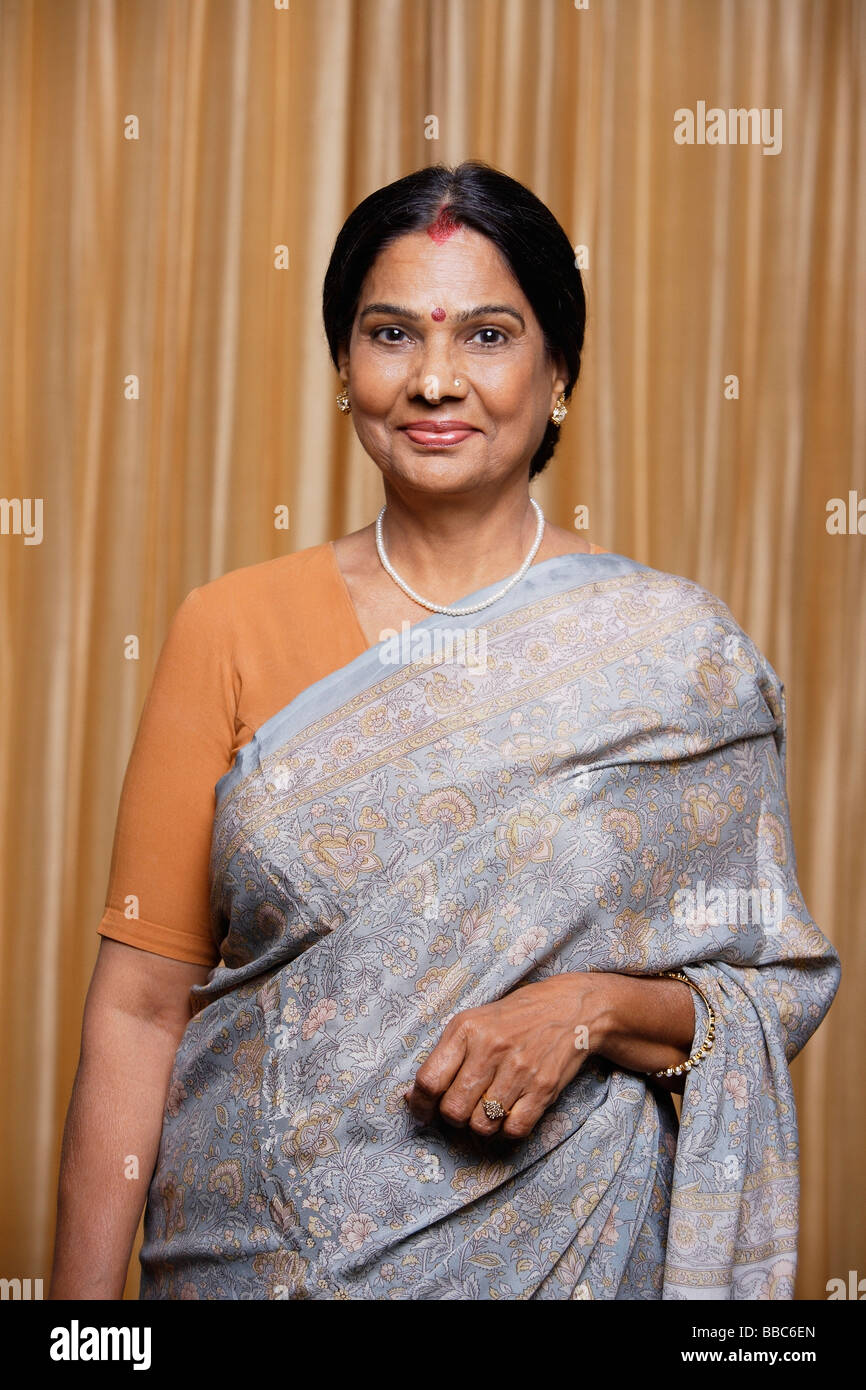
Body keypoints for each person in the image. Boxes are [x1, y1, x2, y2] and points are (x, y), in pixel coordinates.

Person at [49, 161, 840, 1301]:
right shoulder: (228, 625)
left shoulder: (672, 654)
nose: (431, 380)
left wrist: (592, 1008)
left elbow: (769, 988)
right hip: (251, 1264)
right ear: (342, 368)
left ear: (556, 372)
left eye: (484, 335)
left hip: (566, 1257)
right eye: (389, 335)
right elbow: (137, 1005)